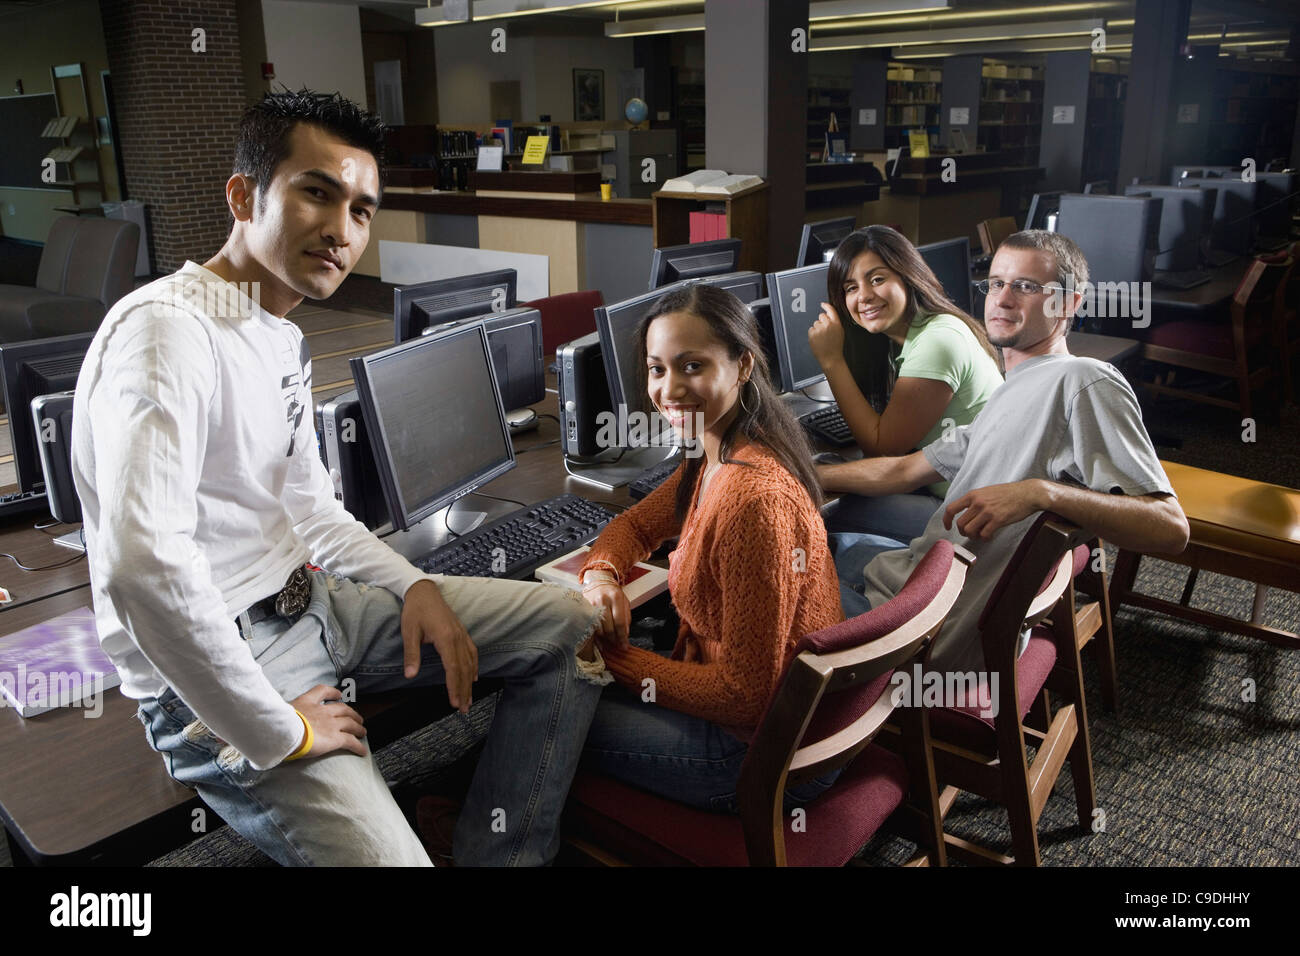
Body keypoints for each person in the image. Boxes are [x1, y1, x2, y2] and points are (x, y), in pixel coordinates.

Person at [71, 90, 608, 867]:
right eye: (316, 193)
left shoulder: (280, 338)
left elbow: (311, 508)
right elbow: (141, 566)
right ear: (243, 195)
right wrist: (279, 732)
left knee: (570, 628)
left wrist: (414, 586)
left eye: (362, 209)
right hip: (222, 666)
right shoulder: (166, 332)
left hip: (317, 604)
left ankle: (499, 852)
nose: (342, 230)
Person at [819, 230, 1189, 673]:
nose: (1003, 299)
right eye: (996, 283)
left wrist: (1041, 493)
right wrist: (801, 472)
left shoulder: (1082, 381)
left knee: (755, 575)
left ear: (1070, 303)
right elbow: (901, 470)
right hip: (913, 583)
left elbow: (1171, 529)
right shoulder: (1010, 390)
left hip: (918, 630)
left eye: (1027, 287)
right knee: (828, 537)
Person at [577, 284, 844, 811]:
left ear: (743, 366)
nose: (669, 389)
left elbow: (744, 695)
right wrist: (601, 574)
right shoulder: (723, 448)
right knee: (562, 685)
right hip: (778, 717)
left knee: (548, 706)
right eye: (657, 369)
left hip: (763, 754)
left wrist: (612, 659)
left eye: (691, 366)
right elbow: (632, 526)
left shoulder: (753, 499)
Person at [809, 225, 1003, 543]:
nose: (864, 296)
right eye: (850, 288)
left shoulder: (936, 340)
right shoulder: (912, 336)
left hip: (971, 515)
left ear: (907, 276)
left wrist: (832, 361)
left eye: (877, 279)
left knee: (824, 518)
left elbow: (883, 449)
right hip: (952, 491)